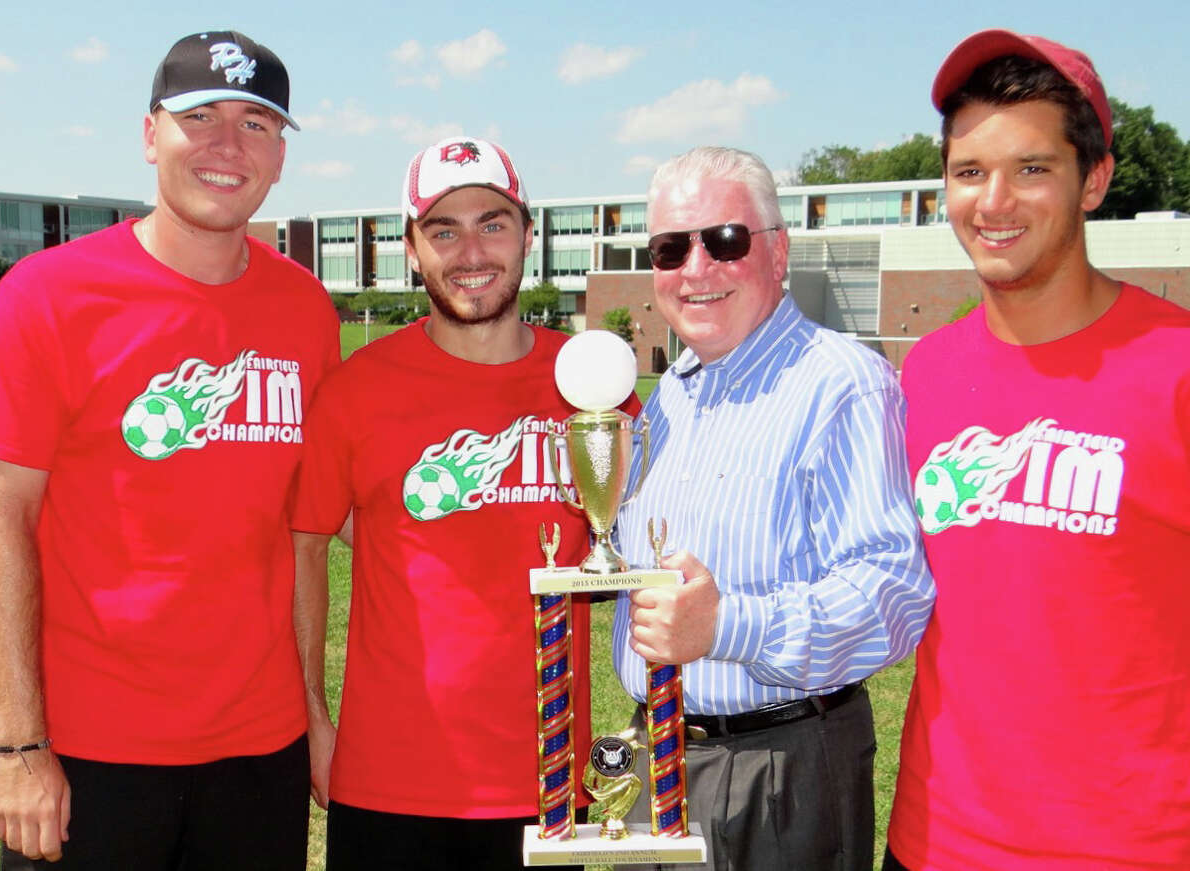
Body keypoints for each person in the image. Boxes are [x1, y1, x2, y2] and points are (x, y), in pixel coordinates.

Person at [0, 30, 339, 870]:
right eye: (200, 117)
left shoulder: (305, 309)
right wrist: (16, 743)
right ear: (152, 135)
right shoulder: (47, 295)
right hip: (87, 753)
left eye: (256, 124)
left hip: (260, 751)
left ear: (281, 155)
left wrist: (313, 712)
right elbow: (2, 514)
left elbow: (310, 526)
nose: (228, 145)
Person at [884, 29, 1190, 871]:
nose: (994, 202)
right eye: (968, 172)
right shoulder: (926, 374)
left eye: (1031, 168)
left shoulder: (1175, 368)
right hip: (935, 840)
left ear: (1094, 180)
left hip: (1134, 849)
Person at [292, 135, 633, 870]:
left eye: (493, 223)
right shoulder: (356, 389)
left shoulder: (593, 385)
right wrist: (314, 718)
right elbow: (307, 547)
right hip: (387, 781)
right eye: (443, 230)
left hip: (546, 774)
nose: (471, 251)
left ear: (529, 235)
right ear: (411, 250)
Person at [611, 145, 936, 871]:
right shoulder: (666, 402)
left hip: (778, 768)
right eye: (670, 248)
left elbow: (890, 596)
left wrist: (726, 625)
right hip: (657, 752)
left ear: (778, 251)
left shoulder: (842, 383)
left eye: (724, 240)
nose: (696, 269)